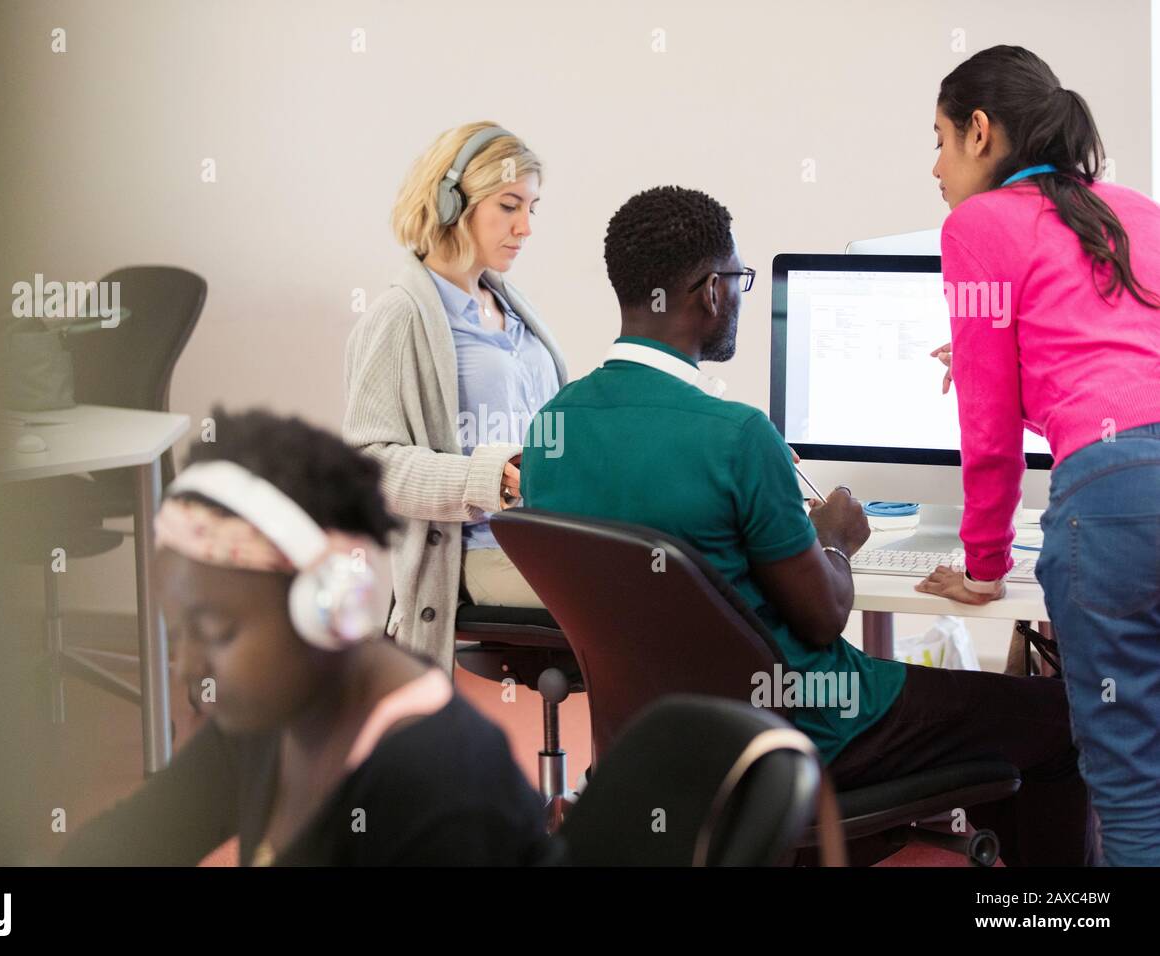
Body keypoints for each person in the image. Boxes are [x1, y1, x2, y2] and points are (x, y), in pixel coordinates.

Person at [521, 185, 1091, 865]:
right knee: (1067, 717)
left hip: (648, 741)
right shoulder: (737, 436)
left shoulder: (553, 426)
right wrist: (836, 534)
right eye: (739, 281)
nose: (740, 298)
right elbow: (824, 617)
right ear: (709, 291)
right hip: (811, 723)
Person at [59, 409, 547, 866]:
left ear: (329, 605)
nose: (186, 668)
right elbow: (124, 845)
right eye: (180, 632)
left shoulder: (442, 786)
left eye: (216, 631)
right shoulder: (266, 717)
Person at [914, 45, 1160, 865]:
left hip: (1115, 506)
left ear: (981, 132)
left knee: (1127, 780)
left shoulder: (977, 225)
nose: (937, 167)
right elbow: (1119, 366)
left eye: (942, 139)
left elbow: (987, 430)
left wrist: (984, 565)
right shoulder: (1137, 209)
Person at [343, 121, 566, 673]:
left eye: (532, 209)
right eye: (510, 205)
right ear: (450, 203)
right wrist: (487, 477)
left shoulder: (512, 307)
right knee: (647, 595)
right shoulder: (401, 318)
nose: (526, 227)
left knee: (684, 564)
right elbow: (371, 468)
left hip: (548, 533)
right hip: (483, 550)